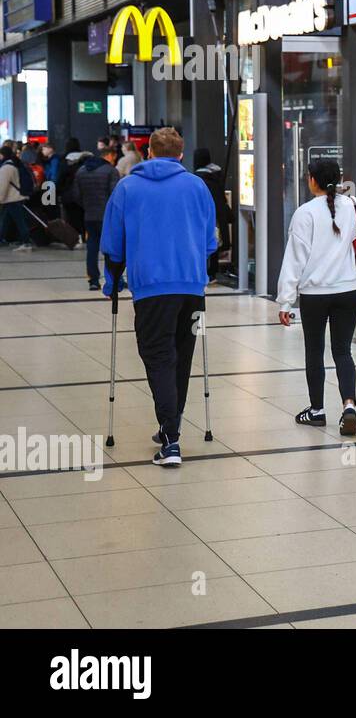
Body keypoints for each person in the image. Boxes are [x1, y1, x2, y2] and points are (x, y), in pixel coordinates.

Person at [100, 127, 216, 468]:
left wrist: (112, 282)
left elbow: (112, 244)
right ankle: (172, 424)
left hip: (152, 289)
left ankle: (171, 440)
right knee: (180, 357)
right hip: (192, 289)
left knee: (158, 357)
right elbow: (210, 243)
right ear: (181, 154)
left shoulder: (127, 187)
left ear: (148, 152)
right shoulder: (197, 186)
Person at [277, 158, 356, 436]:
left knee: (314, 350)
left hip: (314, 294)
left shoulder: (304, 213)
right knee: (343, 351)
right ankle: (349, 406)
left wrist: (285, 300)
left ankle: (317, 410)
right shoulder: (355, 206)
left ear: (312, 180)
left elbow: (294, 260)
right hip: (349, 290)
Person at [70, 144, 120, 290]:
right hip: (107, 216)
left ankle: (93, 280)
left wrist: (87, 206)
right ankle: (114, 281)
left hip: (89, 216)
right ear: (109, 156)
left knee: (92, 248)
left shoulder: (81, 171)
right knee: (111, 249)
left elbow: (76, 195)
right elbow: (115, 195)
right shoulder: (111, 171)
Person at [193, 148, 232, 280]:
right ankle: (213, 271)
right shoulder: (217, 173)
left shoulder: (198, 178)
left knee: (200, 241)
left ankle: (203, 271)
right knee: (214, 239)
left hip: (202, 214)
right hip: (218, 213)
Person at [0, 144, 34, 251]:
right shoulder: (12, 164)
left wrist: (0, 199)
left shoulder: (6, 168)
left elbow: (3, 186)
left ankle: (26, 242)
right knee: (4, 221)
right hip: (12, 198)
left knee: (20, 222)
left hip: (12, 199)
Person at [59, 138, 92, 243]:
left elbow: (61, 177)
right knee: (82, 215)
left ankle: (74, 238)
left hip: (69, 193)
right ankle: (84, 236)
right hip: (84, 192)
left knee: (70, 217)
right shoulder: (86, 159)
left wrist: (58, 190)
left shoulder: (64, 160)